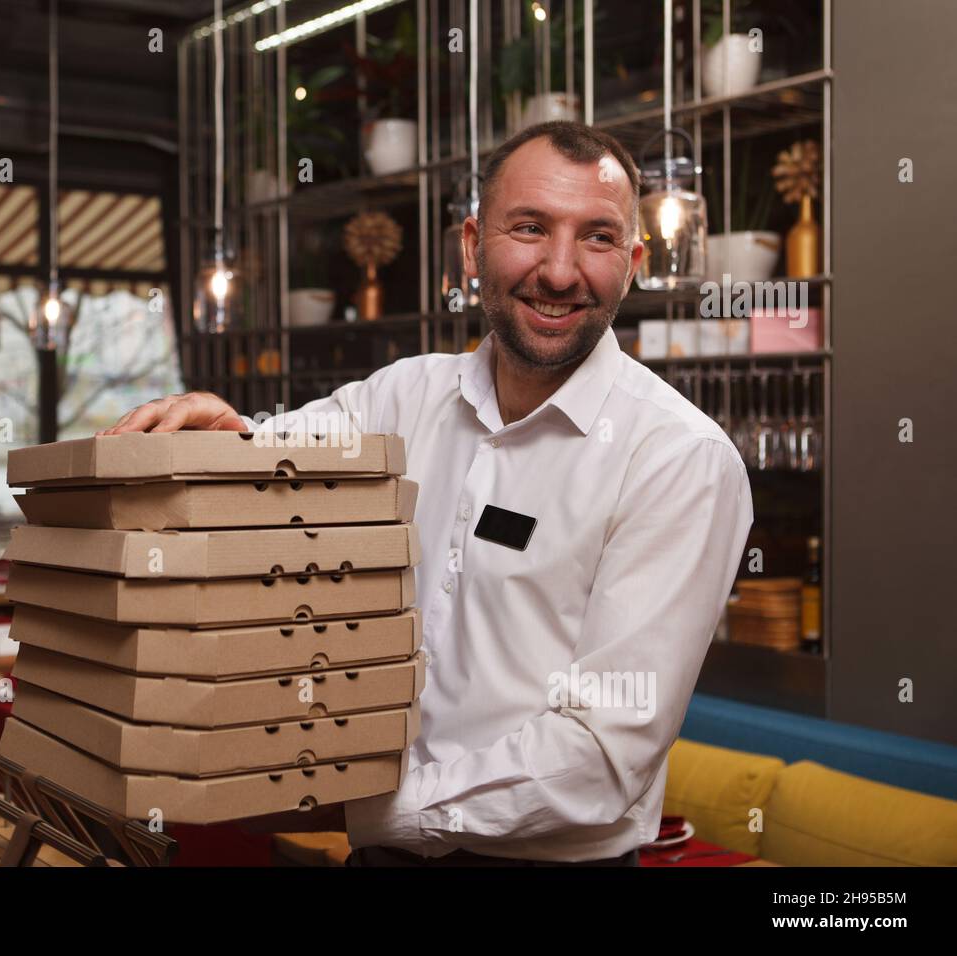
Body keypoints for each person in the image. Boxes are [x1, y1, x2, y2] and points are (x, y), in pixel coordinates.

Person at [100, 121, 753, 866]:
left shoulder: (678, 459)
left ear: (633, 262)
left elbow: (602, 754)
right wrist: (219, 436)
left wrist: (377, 810)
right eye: (531, 228)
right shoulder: (404, 396)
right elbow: (272, 455)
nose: (562, 270)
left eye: (598, 237)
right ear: (473, 247)